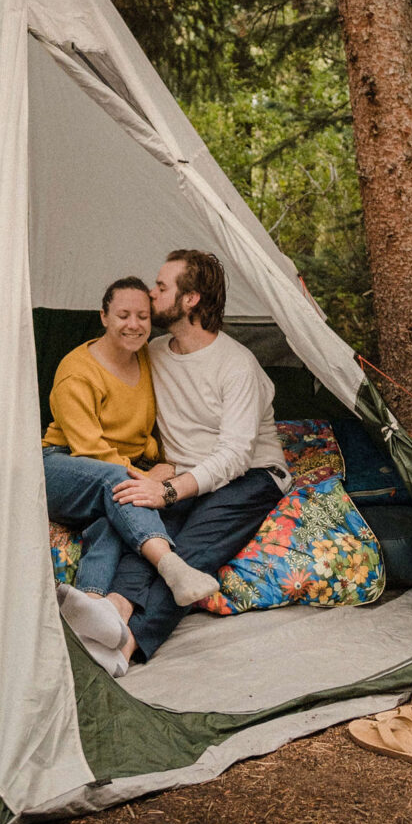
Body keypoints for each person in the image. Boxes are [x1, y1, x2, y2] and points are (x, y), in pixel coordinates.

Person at [98, 249, 290, 668]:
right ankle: (113, 610)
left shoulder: (236, 365)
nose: (151, 293)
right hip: (185, 475)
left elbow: (235, 455)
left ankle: (129, 645)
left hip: (251, 475)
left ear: (190, 300)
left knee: (188, 552)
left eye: (161, 287)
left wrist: (168, 491)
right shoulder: (154, 353)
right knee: (148, 532)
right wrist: (160, 478)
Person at [42, 277, 221, 675]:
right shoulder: (77, 371)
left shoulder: (145, 360)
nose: (134, 325)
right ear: (104, 317)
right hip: (59, 466)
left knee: (115, 517)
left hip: (113, 473)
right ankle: (171, 566)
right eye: (123, 315)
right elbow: (89, 449)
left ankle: (93, 612)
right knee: (118, 484)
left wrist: (162, 463)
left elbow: (147, 433)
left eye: (142, 316)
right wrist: (147, 477)